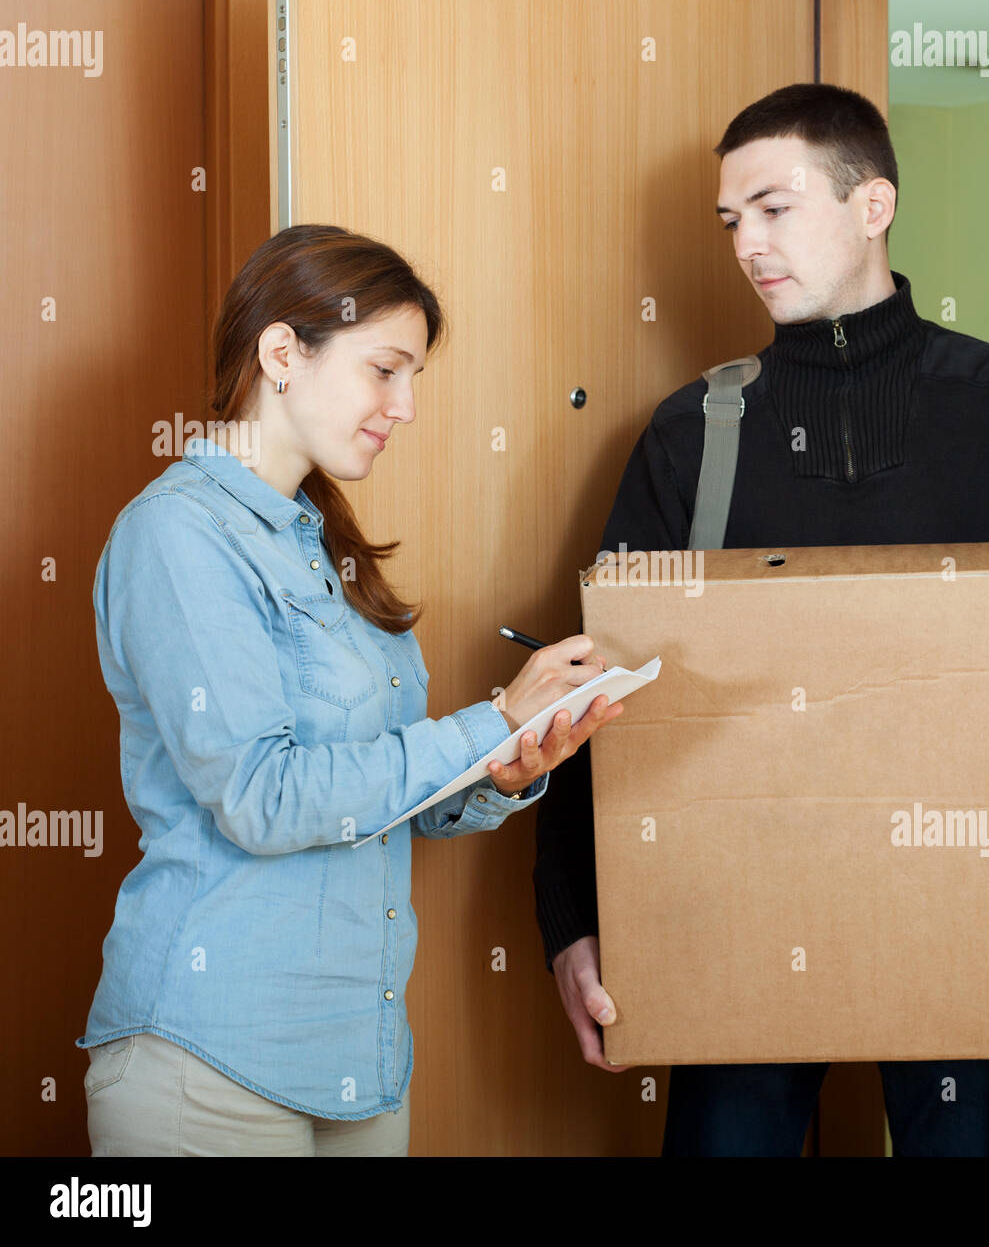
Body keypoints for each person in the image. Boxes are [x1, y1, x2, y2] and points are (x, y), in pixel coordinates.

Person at [533, 83, 989, 1157]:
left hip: (969, 897)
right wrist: (573, 920)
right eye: (731, 219)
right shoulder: (692, 433)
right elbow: (595, 687)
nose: (748, 242)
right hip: (729, 906)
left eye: (775, 207)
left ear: (872, 204)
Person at [77, 224, 622, 1156]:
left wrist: (501, 765)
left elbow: (379, 803)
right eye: (385, 369)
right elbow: (261, 795)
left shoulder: (322, 544)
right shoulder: (176, 536)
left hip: (360, 1067)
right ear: (283, 352)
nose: (404, 405)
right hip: (207, 1065)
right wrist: (489, 718)